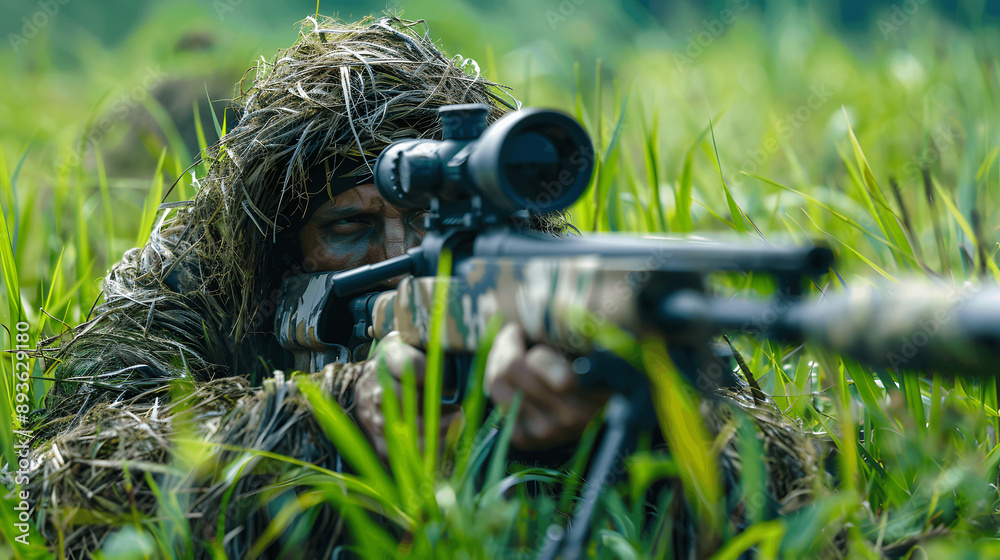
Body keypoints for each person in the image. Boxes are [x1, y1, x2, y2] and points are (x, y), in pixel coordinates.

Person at [23, 14, 824, 559]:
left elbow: (782, 488)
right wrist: (339, 419)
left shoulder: (542, 278)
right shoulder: (196, 278)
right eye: (349, 228)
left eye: (433, 222)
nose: (413, 254)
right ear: (277, 247)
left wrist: (605, 423)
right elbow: (54, 488)